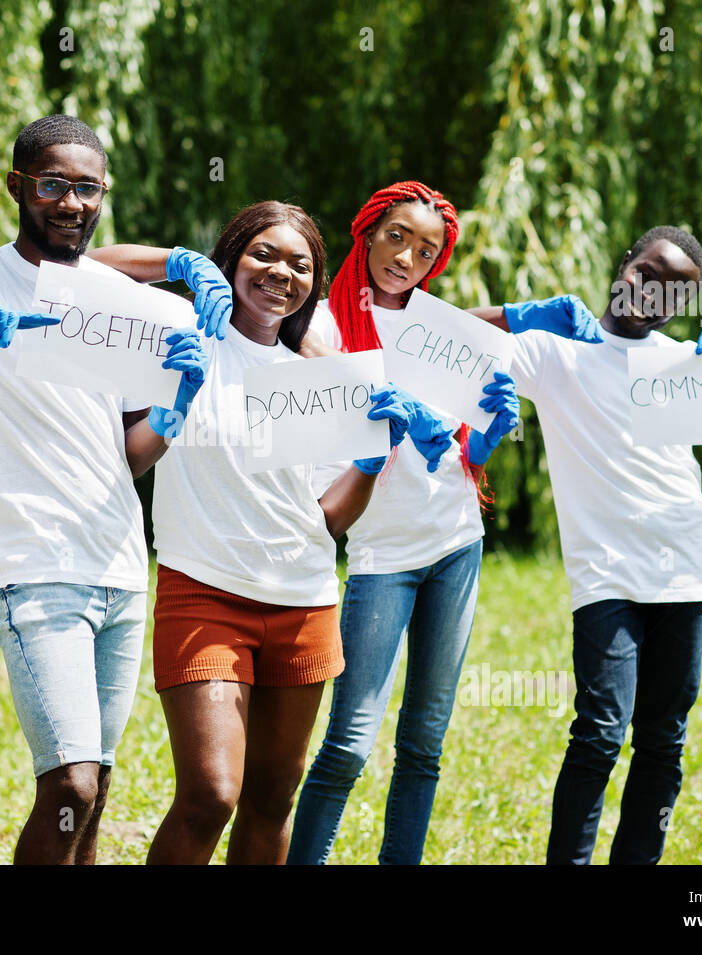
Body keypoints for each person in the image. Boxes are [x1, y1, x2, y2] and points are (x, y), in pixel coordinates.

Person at [0, 114, 210, 865]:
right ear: (18, 186)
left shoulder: (118, 301)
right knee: (71, 787)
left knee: (95, 793)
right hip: (33, 572)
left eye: (88, 188)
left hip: (121, 573)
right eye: (53, 184)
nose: (72, 202)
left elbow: (129, 453)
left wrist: (177, 405)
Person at [467, 225, 702, 863]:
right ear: (625, 262)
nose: (651, 293)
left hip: (683, 572)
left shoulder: (689, 365)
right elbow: (439, 339)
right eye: (647, 272)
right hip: (605, 578)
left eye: (673, 292)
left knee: (663, 738)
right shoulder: (556, 352)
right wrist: (519, 315)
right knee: (599, 733)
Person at [97, 202, 427, 864]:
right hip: (205, 595)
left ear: (315, 282)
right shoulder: (182, 333)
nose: (281, 274)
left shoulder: (320, 377)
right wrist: (176, 264)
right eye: (263, 255)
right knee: (211, 794)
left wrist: (369, 459)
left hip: (305, 600)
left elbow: (331, 518)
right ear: (230, 259)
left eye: (300, 265)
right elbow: (84, 275)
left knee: (274, 796)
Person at [281, 181, 528, 865]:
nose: (408, 257)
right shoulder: (321, 326)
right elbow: (324, 470)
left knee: (424, 742)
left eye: (426, 249)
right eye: (397, 236)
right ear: (367, 230)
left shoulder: (438, 330)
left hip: (456, 544)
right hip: (381, 556)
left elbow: (455, 445)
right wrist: (381, 423)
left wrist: (484, 437)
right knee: (350, 740)